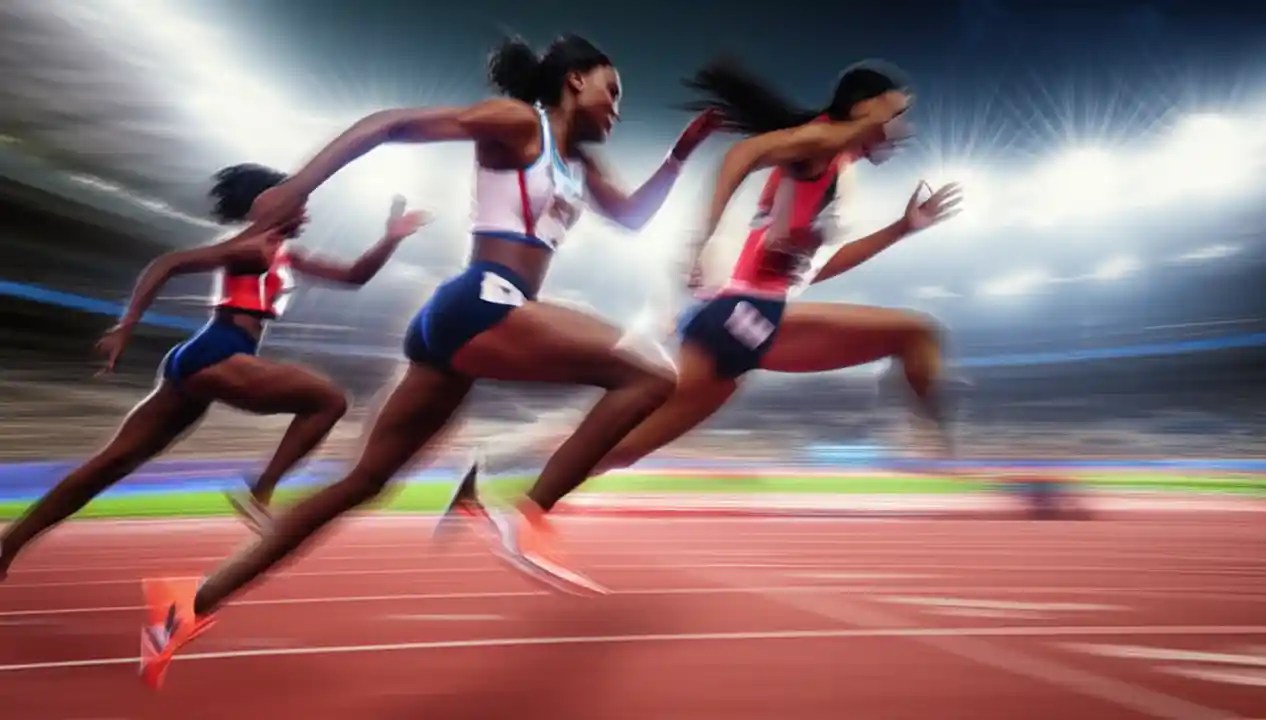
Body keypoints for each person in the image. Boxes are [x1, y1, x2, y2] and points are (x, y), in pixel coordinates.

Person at [137, 34, 720, 689]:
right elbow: (391, 124)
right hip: (482, 301)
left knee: (362, 483)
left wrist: (681, 153)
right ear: (575, 80)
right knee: (650, 373)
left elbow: (635, 217)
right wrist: (297, 186)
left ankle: (185, 605)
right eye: (612, 89)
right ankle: (525, 507)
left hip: (465, 323)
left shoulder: (579, 164)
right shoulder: (517, 124)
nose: (617, 106)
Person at [441, 58, 962, 516]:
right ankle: (937, 452)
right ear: (867, 106)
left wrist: (901, 228)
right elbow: (743, 155)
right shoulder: (826, 140)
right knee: (915, 332)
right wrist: (700, 238)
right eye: (898, 113)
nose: (903, 128)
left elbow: (813, 267)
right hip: (741, 312)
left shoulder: (836, 160)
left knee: (623, 446)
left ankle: (492, 468)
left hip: (748, 314)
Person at [0, 164, 429, 581]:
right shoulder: (249, 246)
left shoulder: (284, 254)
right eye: (297, 200)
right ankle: (261, 488)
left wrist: (390, 238)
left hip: (204, 359)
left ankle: (9, 543)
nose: (305, 209)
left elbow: (354, 276)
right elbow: (168, 263)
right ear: (267, 204)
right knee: (328, 400)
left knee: (112, 464)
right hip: (216, 352)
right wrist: (125, 326)